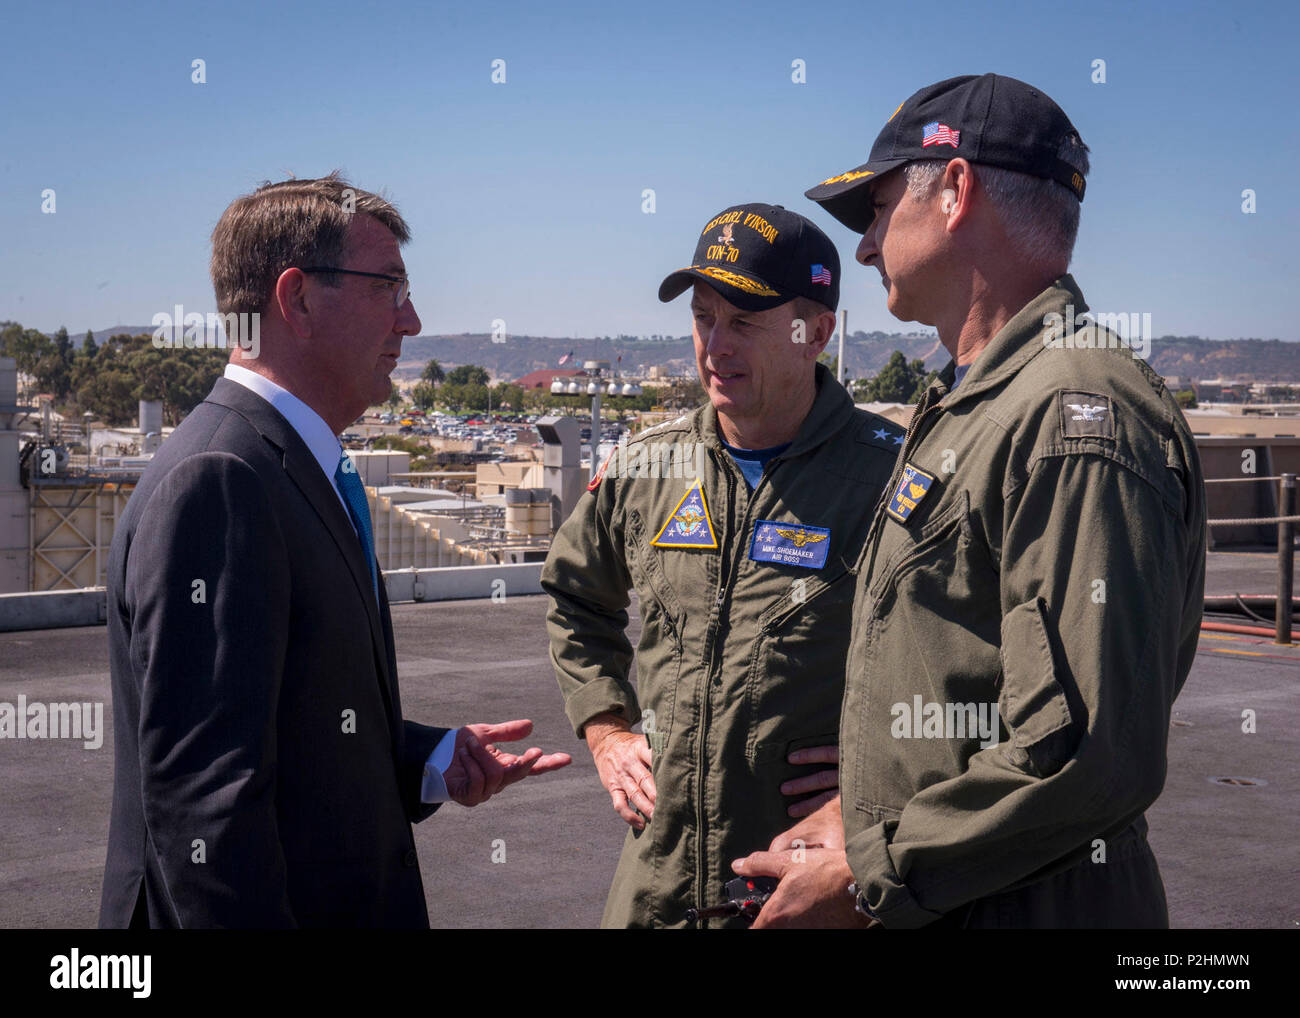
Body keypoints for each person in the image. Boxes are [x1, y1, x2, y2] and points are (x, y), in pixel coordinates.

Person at [733, 74, 1207, 928]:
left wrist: (866, 872)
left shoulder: (1068, 416)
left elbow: (1086, 757)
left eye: (876, 210)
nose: (868, 247)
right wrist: (861, 812)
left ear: (954, 190)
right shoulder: (981, 400)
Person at [99, 174, 570, 928]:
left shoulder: (283, 463)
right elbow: (206, 804)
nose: (411, 320)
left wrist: (425, 759)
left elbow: (286, 728)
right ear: (298, 300)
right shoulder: (220, 480)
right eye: (389, 287)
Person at [542, 203, 905, 927]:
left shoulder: (892, 480)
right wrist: (607, 728)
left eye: (744, 322)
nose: (715, 345)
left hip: (805, 891)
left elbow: (967, 667)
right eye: (705, 318)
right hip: (657, 886)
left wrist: (877, 783)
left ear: (816, 333)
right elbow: (575, 596)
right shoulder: (649, 466)